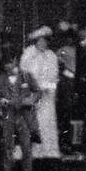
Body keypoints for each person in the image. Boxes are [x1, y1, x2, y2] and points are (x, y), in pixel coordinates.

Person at [0, 52, 38, 171]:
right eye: (6, 64)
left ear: (15, 61)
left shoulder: (26, 76)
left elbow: (37, 91)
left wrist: (30, 100)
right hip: (8, 114)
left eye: (10, 62)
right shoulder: (1, 79)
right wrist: (1, 101)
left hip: (24, 115)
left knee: (26, 145)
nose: (8, 66)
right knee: (8, 146)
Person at [19, 27, 60, 160]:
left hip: (46, 97)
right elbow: (23, 75)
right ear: (36, 40)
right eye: (40, 40)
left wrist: (45, 87)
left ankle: (47, 152)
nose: (43, 43)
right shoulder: (28, 54)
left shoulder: (52, 56)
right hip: (30, 96)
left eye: (46, 40)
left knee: (45, 123)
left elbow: (53, 79)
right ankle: (28, 153)